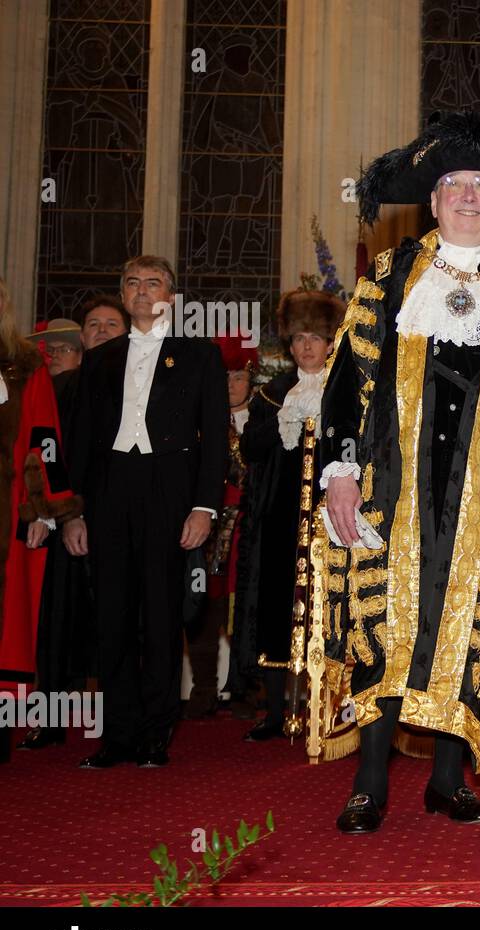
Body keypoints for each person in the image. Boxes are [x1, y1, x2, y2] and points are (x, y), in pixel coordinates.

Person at [322, 111, 480, 834]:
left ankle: (445, 781)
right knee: (388, 624)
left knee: (467, 626)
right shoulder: (389, 275)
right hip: (389, 486)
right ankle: (370, 784)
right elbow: (348, 374)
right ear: (433, 203)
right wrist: (340, 468)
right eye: (454, 187)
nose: (468, 197)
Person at [65, 256, 227, 769]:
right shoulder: (101, 358)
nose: (141, 290)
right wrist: (74, 513)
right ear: (123, 293)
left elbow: (216, 441)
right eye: (132, 282)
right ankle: (118, 736)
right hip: (110, 489)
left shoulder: (199, 355)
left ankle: (156, 735)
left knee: (160, 614)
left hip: (170, 490)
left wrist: (204, 508)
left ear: (171, 298)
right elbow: (81, 445)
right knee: (112, 615)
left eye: (152, 282)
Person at [19, 296, 129, 750]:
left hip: (124, 518)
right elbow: (48, 454)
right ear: (82, 339)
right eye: (93, 324)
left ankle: (115, 717)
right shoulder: (60, 387)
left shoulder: (141, 385)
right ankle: (52, 718)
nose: (101, 330)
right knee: (57, 621)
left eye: (111, 323)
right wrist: (56, 512)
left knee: (117, 620)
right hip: (70, 518)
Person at [234, 290, 342, 739]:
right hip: (279, 516)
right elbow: (251, 451)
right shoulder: (272, 394)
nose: (308, 347)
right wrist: (280, 427)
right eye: (299, 338)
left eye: (316, 337)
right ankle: (275, 711)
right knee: (278, 607)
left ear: (331, 341)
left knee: (330, 609)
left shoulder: (346, 390)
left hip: (331, 518)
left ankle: (332, 709)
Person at [1, 276, 81, 763]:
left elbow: (44, 439)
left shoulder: (25, 366)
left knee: (8, 615)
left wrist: (47, 511)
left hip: (7, 504)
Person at [183, 332, 257, 720]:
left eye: (238, 377)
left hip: (249, 524)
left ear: (250, 378)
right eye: (224, 377)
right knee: (204, 606)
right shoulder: (199, 419)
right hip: (208, 522)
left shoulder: (267, 417)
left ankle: (243, 687)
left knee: (243, 605)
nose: (231, 384)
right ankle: (204, 687)